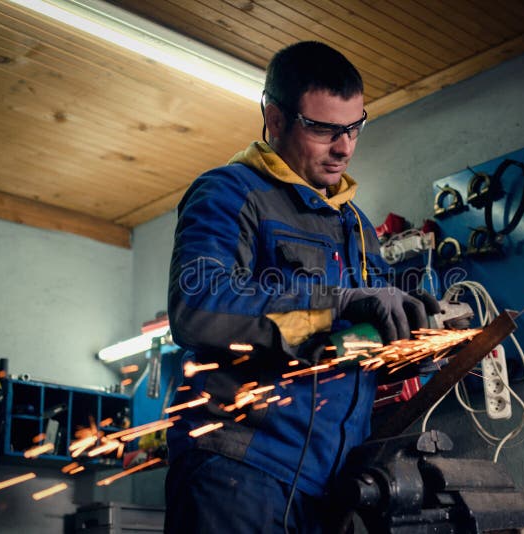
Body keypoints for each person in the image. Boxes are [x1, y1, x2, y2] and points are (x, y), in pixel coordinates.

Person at [164, 41, 428, 533]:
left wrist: (413, 335)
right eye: (324, 129)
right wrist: (340, 302)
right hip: (240, 470)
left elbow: (353, 347)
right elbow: (197, 307)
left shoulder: (357, 227)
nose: (344, 147)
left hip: (334, 485)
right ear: (275, 118)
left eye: (354, 127)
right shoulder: (230, 193)